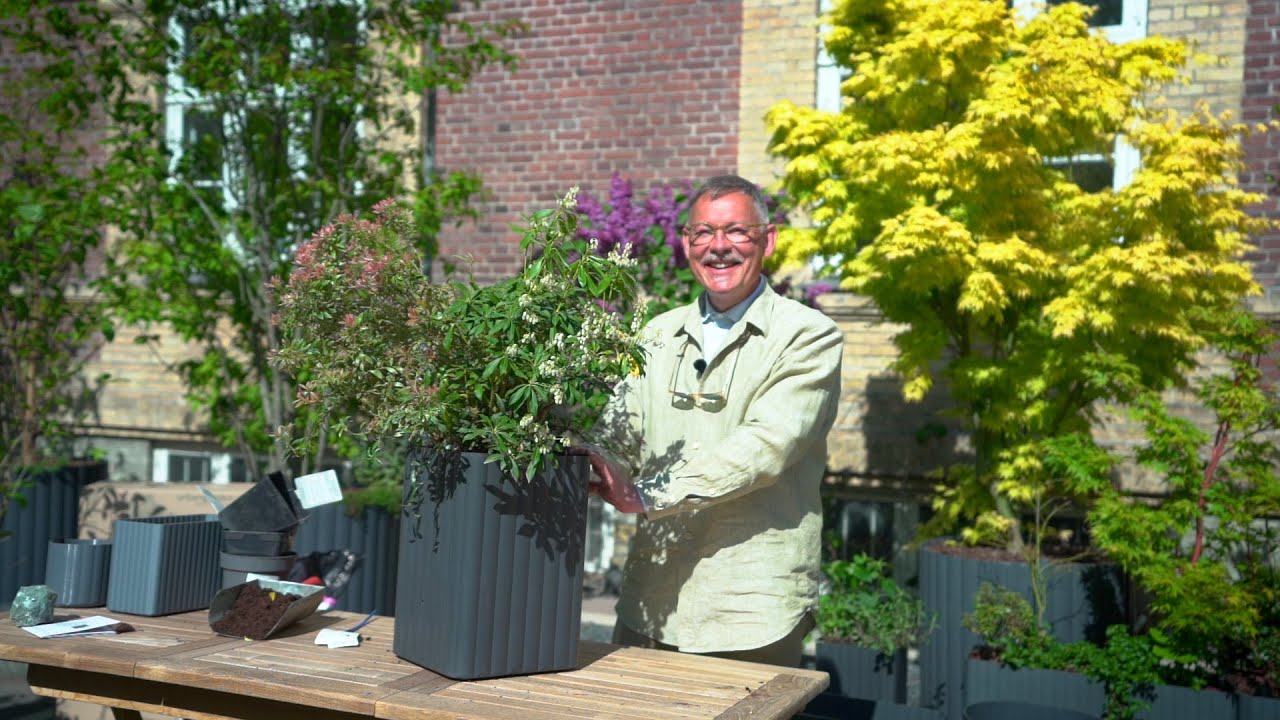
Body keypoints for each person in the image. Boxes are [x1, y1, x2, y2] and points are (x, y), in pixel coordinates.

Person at [581, 174, 844, 667]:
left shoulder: (808, 336)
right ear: (686, 244)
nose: (718, 247)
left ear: (768, 240)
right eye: (703, 233)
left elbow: (766, 447)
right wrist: (576, 457)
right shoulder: (658, 333)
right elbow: (619, 428)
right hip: (650, 603)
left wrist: (645, 493)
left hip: (747, 614)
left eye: (736, 232)